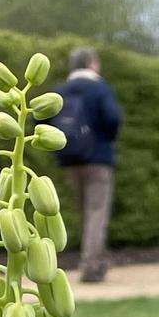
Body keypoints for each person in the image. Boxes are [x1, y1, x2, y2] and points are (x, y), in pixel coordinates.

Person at [52, 47, 123, 283]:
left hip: (70, 158)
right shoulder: (100, 88)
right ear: (92, 63)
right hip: (98, 158)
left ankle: (96, 259)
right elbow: (113, 118)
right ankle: (91, 266)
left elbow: (39, 118)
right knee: (97, 212)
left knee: (85, 211)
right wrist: (106, 139)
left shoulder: (61, 91)